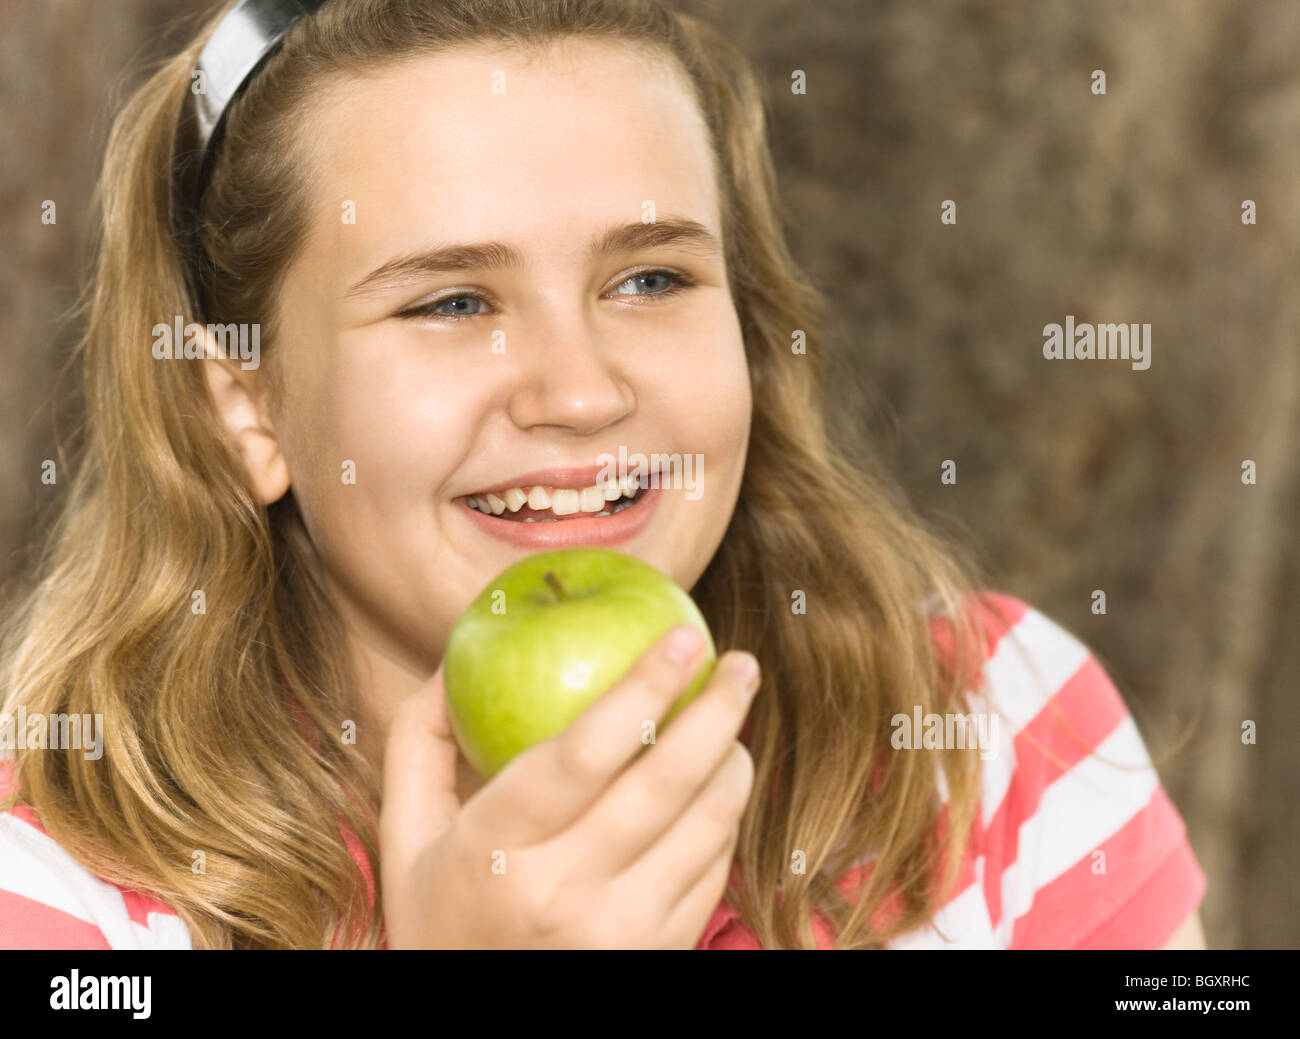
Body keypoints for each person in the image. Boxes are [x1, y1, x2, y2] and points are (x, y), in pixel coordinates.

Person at [0, 0, 1205, 950]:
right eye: (454, 300)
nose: (579, 393)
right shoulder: (55, 893)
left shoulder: (986, 737)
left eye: (650, 279)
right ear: (246, 408)